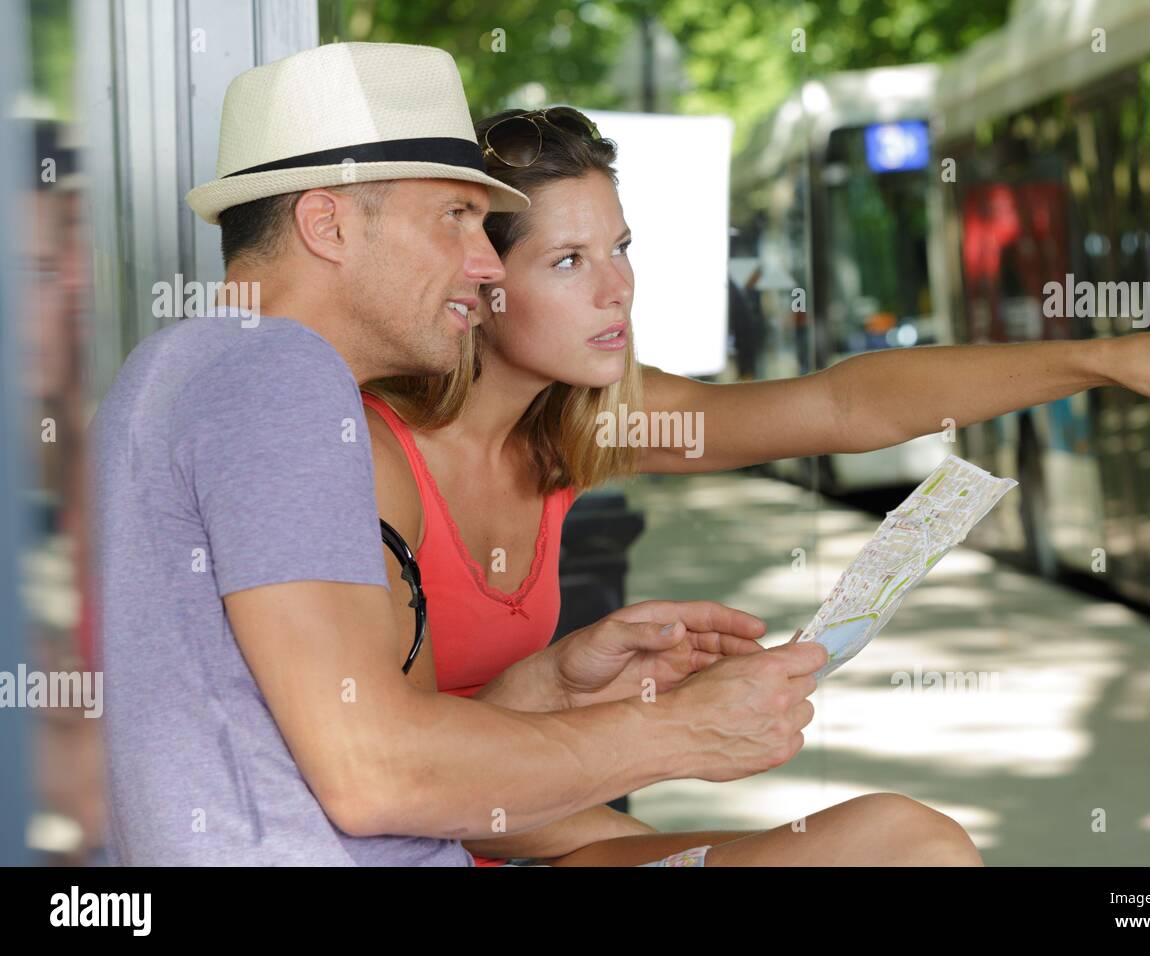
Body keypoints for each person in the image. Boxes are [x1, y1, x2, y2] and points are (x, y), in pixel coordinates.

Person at [92, 41, 978, 867]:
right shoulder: (278, 374)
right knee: (906, 845)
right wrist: (683, 733)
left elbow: (334, 738)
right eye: (456, 219)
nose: (485, 267)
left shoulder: (177, 374)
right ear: (326, 224)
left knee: (897, 839)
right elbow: (375, 776)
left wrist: (545, 687)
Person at [358, 104, 1150, 865]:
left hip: (538, 833)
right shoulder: (371, 456)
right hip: (439, 844)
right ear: (479, 284)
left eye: (622, 247)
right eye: (568, 261)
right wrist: (644, 733)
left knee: (909, 844)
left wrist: (1115, 358)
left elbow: (842, 408)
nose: (618, 290)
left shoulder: (581, 424)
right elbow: (383, 773)